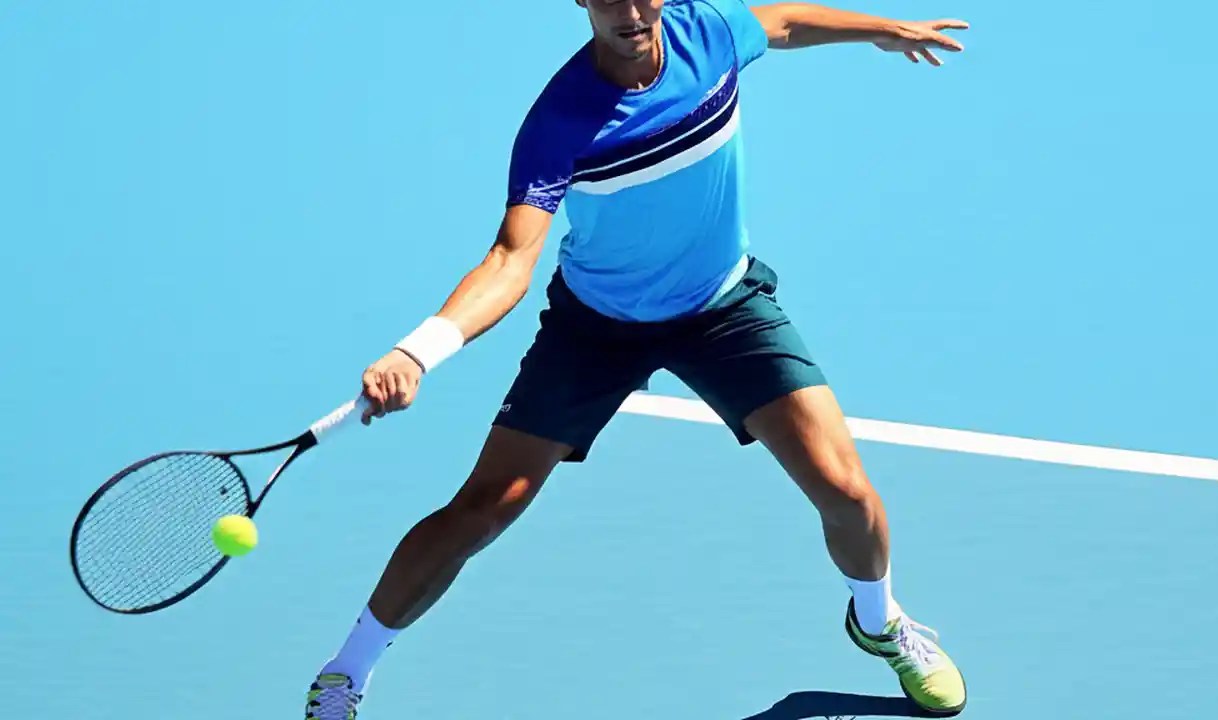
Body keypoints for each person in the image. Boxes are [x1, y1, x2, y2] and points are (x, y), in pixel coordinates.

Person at [304, 2, 970, 717]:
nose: (627, 14)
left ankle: (879, 623)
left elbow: (780, 24)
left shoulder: (708, 33)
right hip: (597, 328)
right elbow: (510, 259)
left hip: (723, 308)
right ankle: (347, 671)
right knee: (483, 509)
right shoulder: (561, 122)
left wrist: (881, 28)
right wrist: (419, 350)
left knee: (846, 492)